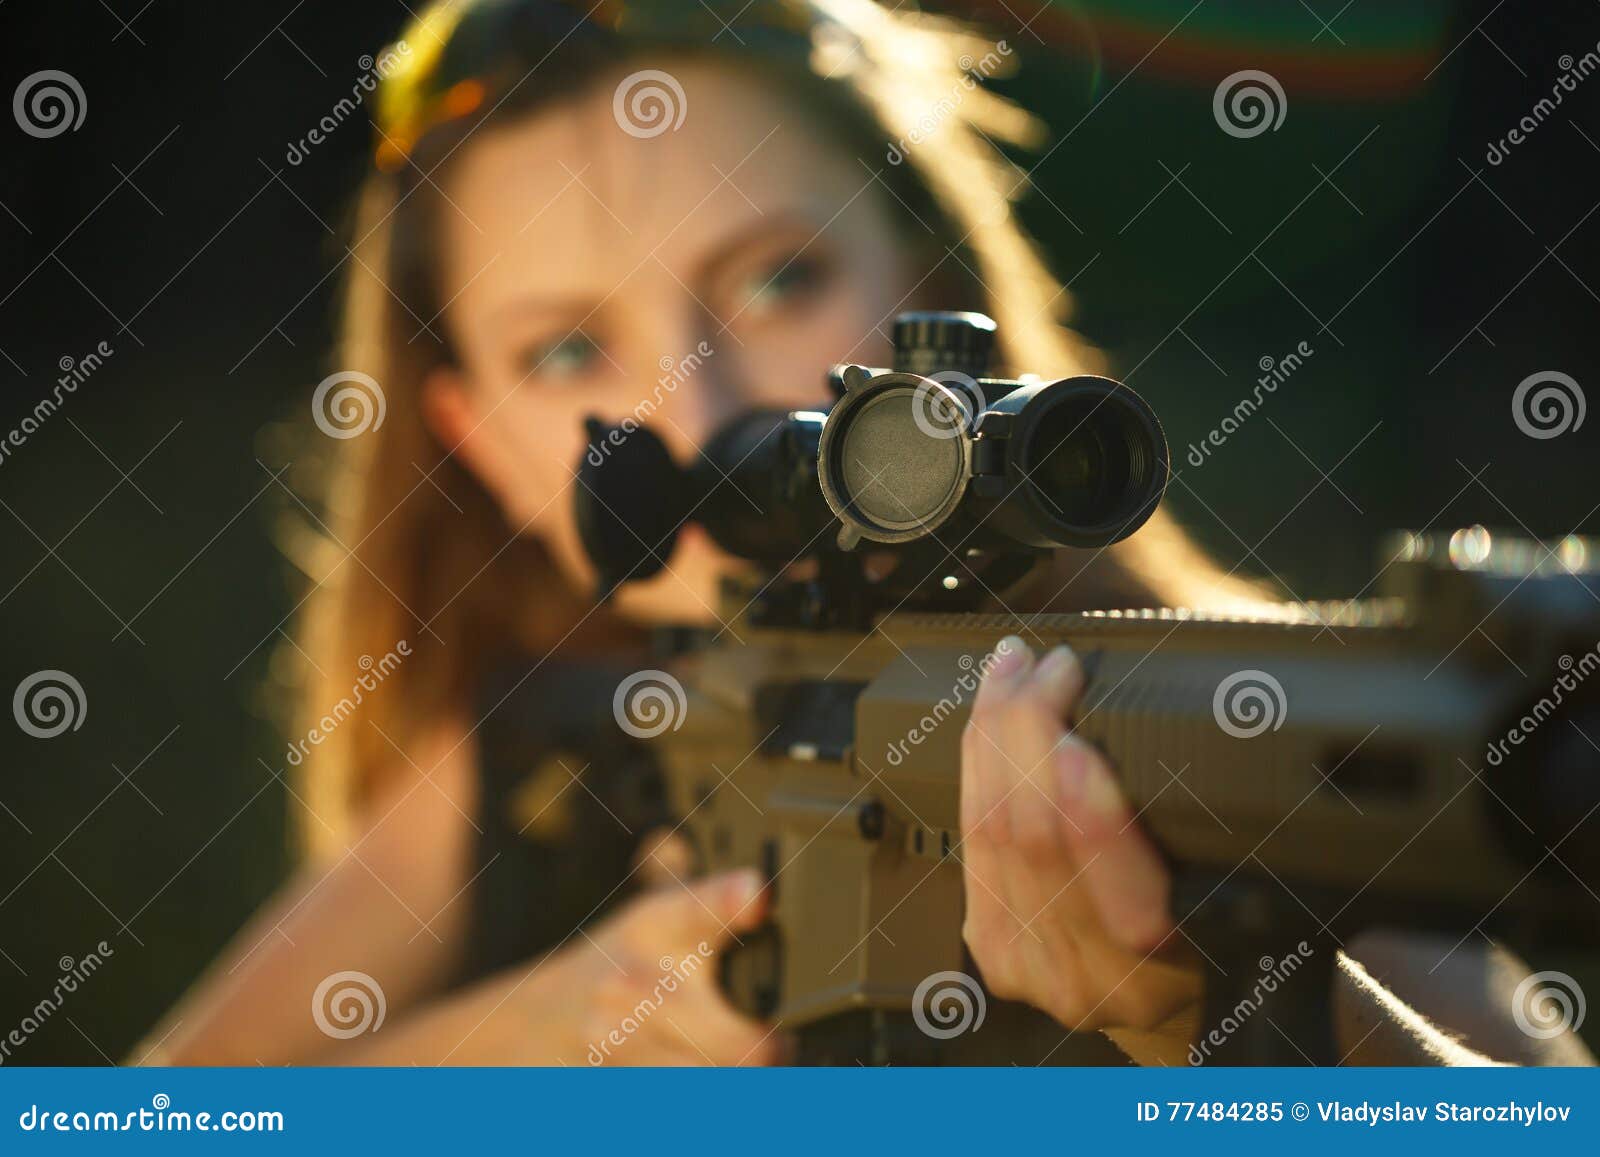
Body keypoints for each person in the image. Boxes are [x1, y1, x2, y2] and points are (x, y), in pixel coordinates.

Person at [132, 0, 1588, 1067]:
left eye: (775, 278)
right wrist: (536, 1036)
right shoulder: (527, 766)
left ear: (932, 283)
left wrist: (1213, 1027)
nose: (699, 409)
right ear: (481, 445)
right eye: (566, 352)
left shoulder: (1258, 741)